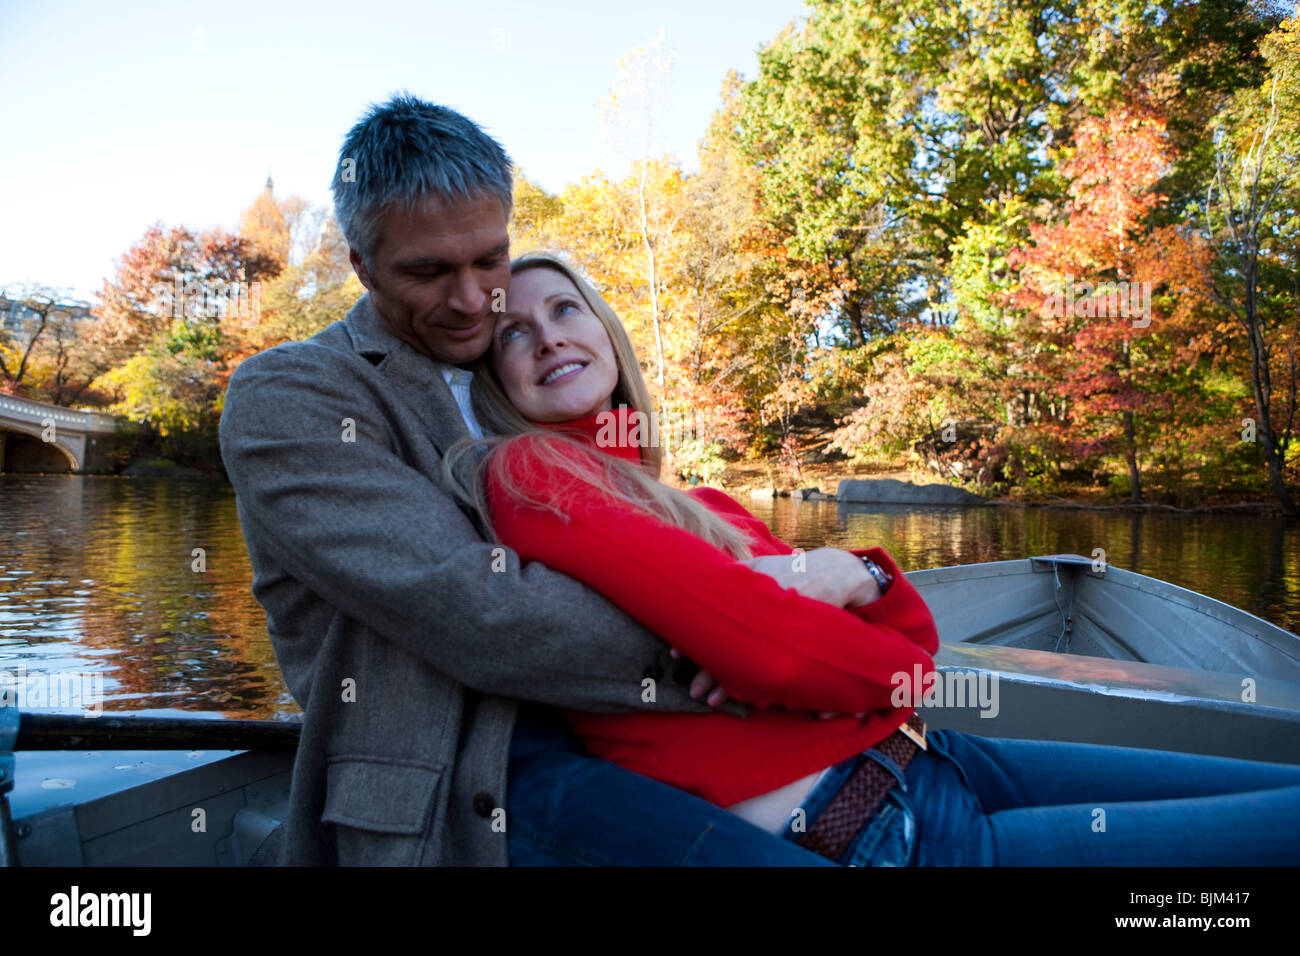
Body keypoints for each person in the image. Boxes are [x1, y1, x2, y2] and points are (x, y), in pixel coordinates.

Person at [441, 251, 1300, 865]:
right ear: (494, 381)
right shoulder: (533, 472)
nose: (547, 337)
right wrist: (797, 621)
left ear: (606, 331)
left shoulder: (706, 508)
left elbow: (910, 638)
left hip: (935, 754)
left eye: (564, 309)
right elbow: (778, 650)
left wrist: (857, 574)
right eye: (512, 334)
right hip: (881, 832)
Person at [219, 92, 847, 866]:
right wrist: (745, 639)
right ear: (361, 265)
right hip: (471, 783)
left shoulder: (519, 360)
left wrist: (823, 591)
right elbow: (479, 606)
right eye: (428, 271)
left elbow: (642, 533)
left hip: (642, 739)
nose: (470, 297)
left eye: (489, 259)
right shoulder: (295, 394)